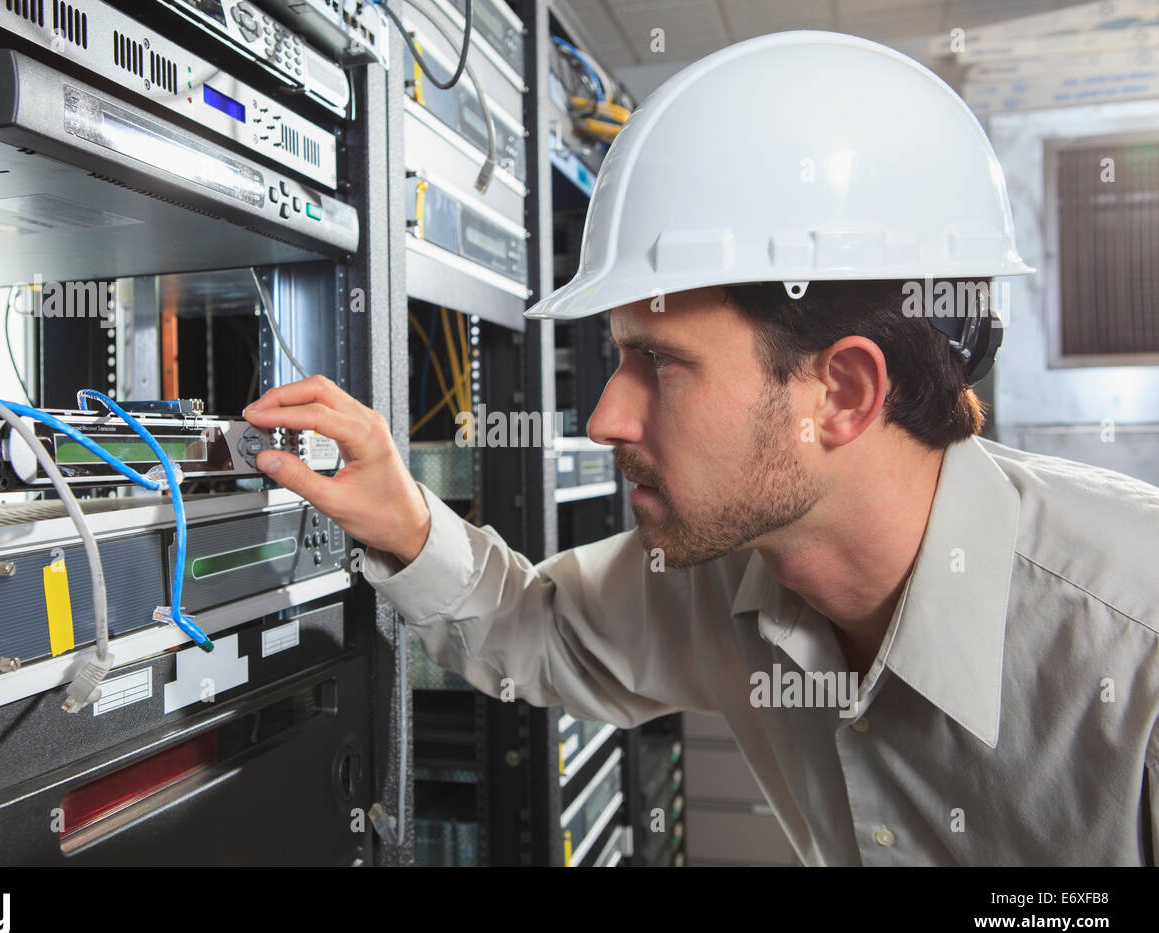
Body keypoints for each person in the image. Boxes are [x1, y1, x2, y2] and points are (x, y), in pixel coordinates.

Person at [242, 31, 1159, 865]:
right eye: (617, 358)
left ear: (841, 394)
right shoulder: (733, 572)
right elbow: (541, 631)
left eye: (660, 362)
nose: (603, 418)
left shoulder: (1132, 659)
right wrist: (403, 522)